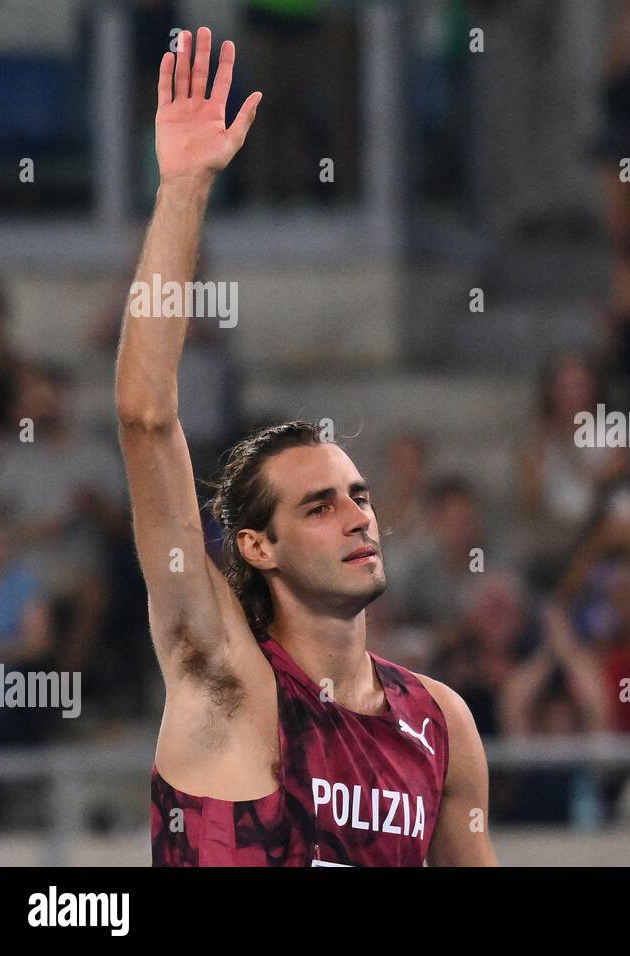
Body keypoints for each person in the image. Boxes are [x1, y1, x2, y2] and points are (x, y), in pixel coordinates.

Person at [120, 28, 495, 866]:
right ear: (257, 546)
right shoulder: (221, 672)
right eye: (319, 505)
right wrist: (183, 187)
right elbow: (146, 416)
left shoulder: (441, 723)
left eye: (359, 496)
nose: (358, 517)